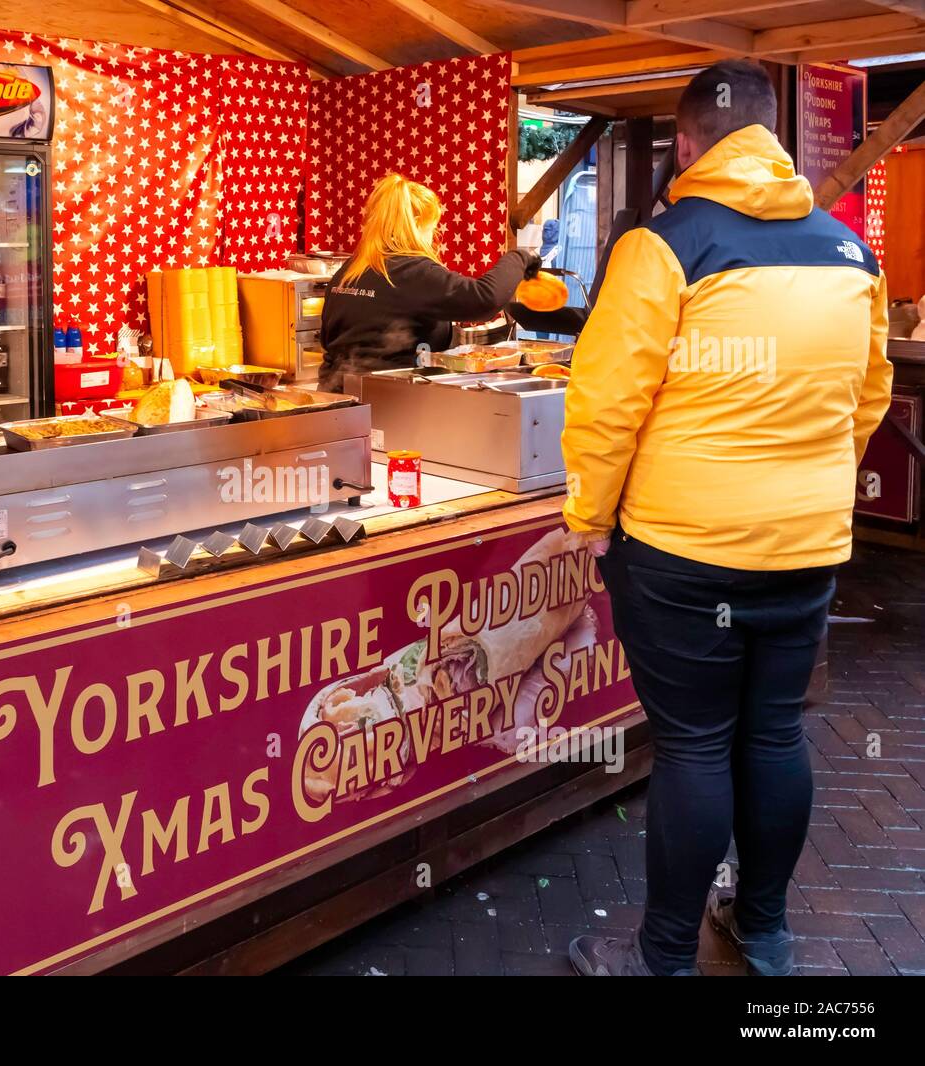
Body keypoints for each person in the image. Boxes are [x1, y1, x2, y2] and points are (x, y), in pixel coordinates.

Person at [563, 60, 892, 977]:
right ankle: (764, 932)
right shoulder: (847, 251)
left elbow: (605, 401)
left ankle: (663, 958)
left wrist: (590, 512)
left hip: (684, 550)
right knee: (775, 733)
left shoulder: (664, 244)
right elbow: (866, 399)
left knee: (695, 745)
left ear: (685, 143)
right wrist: (810, 483)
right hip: (807, 546)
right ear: (773, 141)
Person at [317, 174, 540, 393]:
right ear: (417, 225)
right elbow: (485, 299)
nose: (434, 235)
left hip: (334, 396)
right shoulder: (412, 271)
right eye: (433, 227)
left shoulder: (349, 270)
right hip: (388, 402)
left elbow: (328, 337)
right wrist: (519, 258)